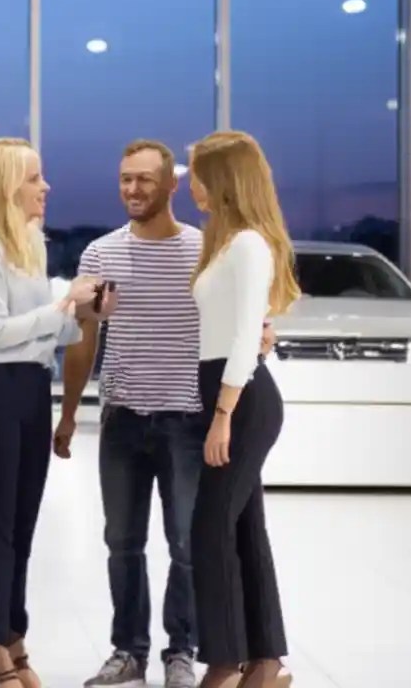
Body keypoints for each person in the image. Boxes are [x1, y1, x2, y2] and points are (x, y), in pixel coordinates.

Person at [59, 140, 277, 688]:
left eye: (145, 180)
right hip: (122, 419)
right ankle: (127, 650)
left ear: (173, 185)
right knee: (122, 543)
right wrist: (67, 414)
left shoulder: (207, 250)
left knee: (188, 544)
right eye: (125, 179)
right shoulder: (101, 254)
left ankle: (183, 650)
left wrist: (260, 342)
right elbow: (83, 341)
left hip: (189, 419)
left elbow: (247, 324)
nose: (133, 189)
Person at [0, 137, 100, 688]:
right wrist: (61, 306)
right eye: (35, 178)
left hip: (32, 390)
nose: (46, 187)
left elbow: (45, 335)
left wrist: (82, 315)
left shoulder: (31, 244)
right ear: (7, 186)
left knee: (22, 529)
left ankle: (14, 639)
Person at [186, 130, 299, 688]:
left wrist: (223, 414)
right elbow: (241, 326)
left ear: (224, 180)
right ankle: (266, 662)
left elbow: (242, 338)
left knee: (209, 528)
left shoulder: (250, 244)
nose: (191, 185)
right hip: (227, 389)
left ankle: (226, 665)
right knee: (244, 527)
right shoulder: (228, 243)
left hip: (242, 399)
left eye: (198, 175)